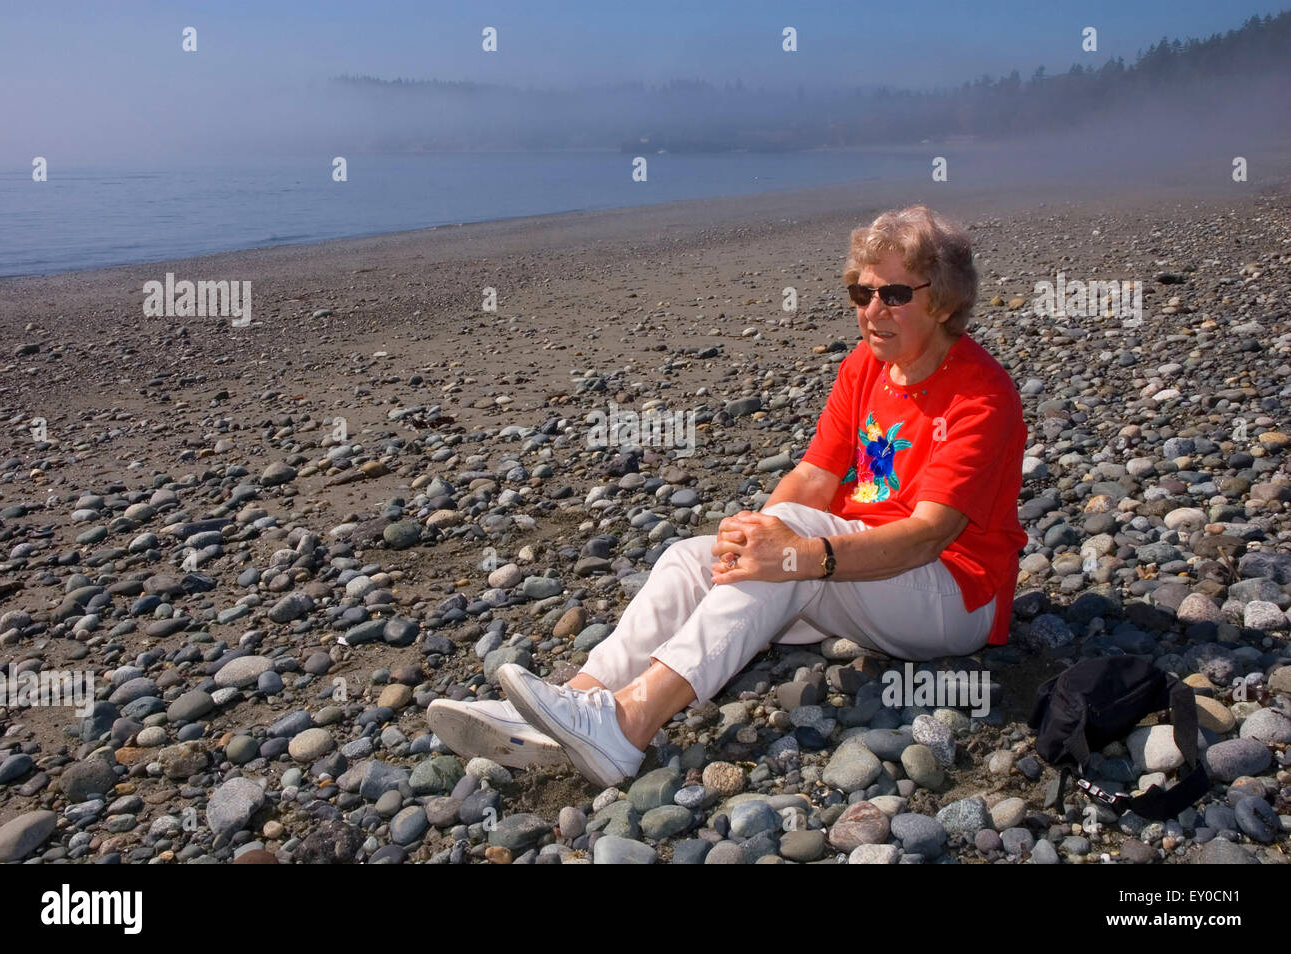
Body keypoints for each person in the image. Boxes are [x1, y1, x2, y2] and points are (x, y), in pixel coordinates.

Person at [428, 204, 1029, 788]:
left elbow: (928, 536)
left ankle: (630, 724)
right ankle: (579, 702)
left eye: (895, 295)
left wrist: (794, 552)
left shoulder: (979, 396)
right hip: (864, 572)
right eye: (860, 292)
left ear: (944, 299)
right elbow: (815, 477)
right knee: (693, 557)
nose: (873, 311)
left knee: (786, 547)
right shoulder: (864, 368)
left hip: (951, 593)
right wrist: (751, 543)